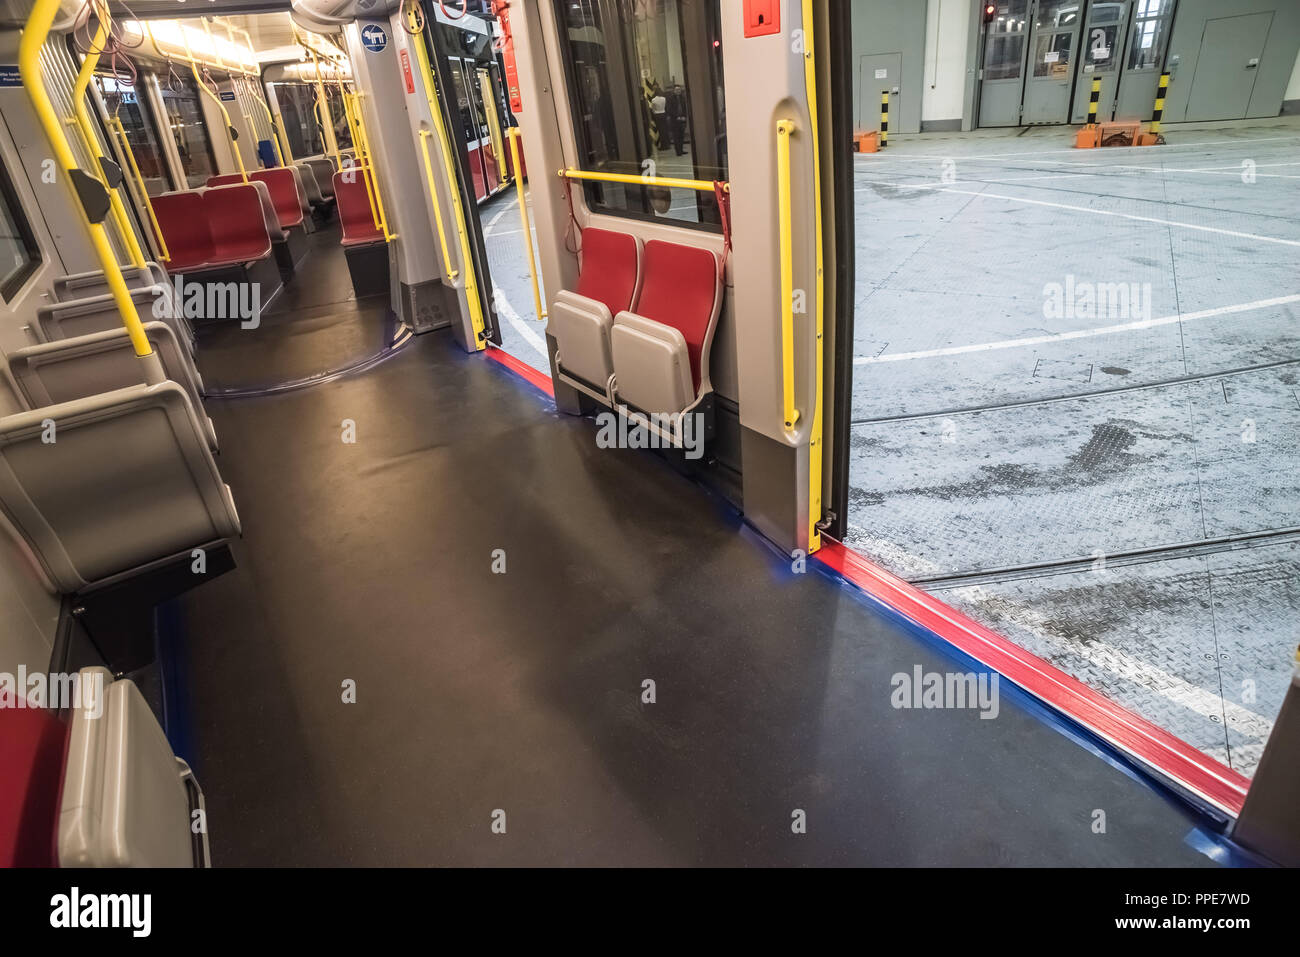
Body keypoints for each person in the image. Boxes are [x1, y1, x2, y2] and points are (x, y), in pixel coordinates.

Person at [666, 83, 687, 156]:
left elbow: (685, 108)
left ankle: (681, 150)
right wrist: (676, 116)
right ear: (674, 90)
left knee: (681, 136)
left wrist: (684, 116)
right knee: (676, 136)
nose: (678, 91)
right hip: (674, 120)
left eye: (679, 89)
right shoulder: (670, 98)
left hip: (682, 120)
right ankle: (678, 152)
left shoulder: (683, 98)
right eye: (677, 89)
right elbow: (669, 110)